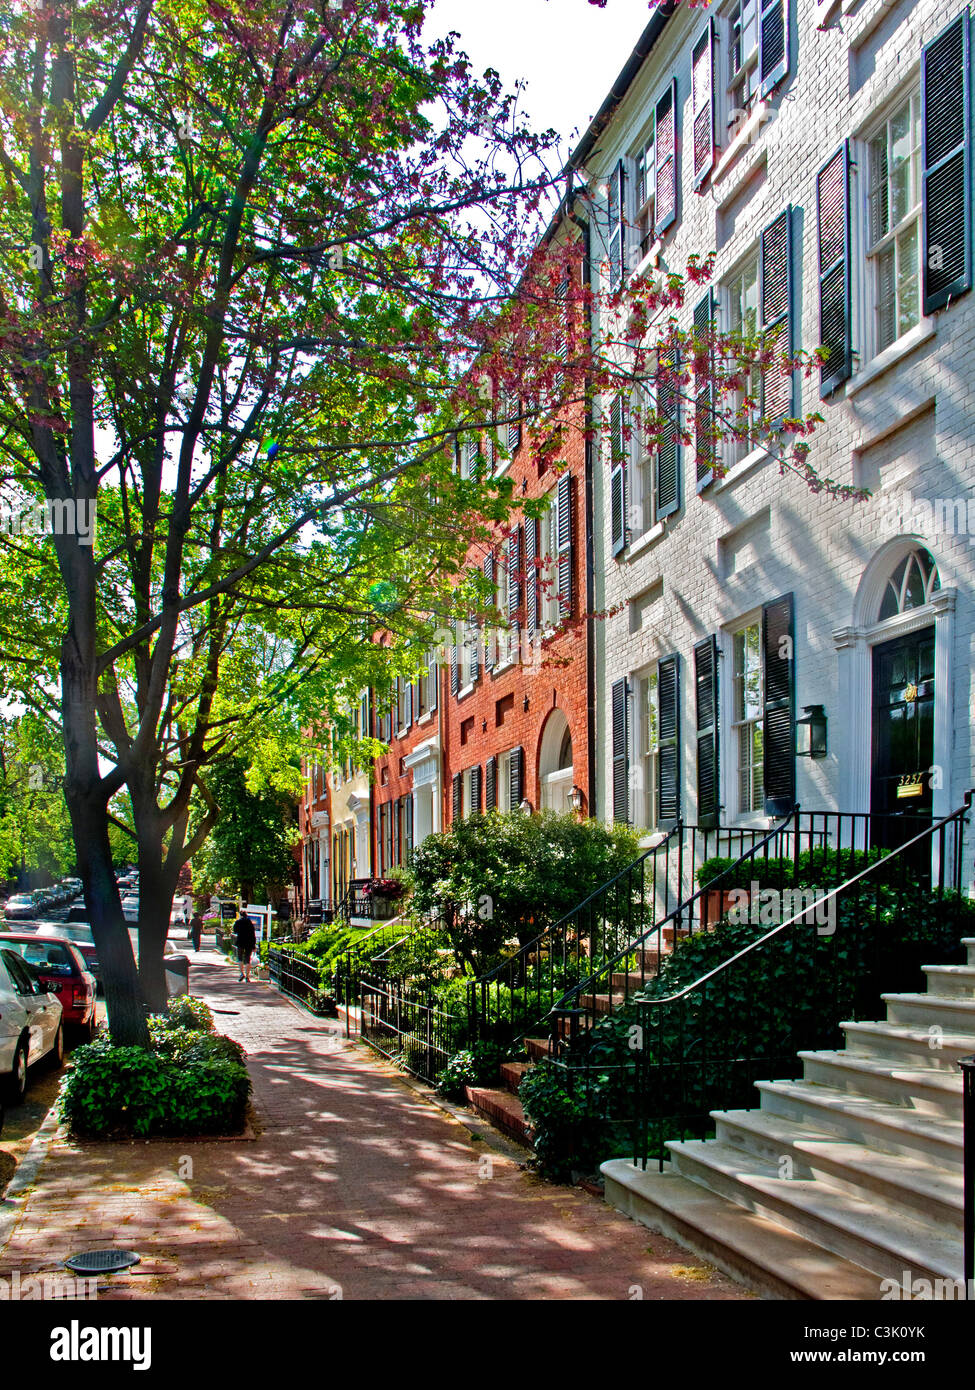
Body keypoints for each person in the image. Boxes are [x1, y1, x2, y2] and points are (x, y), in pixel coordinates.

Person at [232, 909, 257, 984]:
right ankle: (247, 976)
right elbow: (253, 934)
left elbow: (235, 931)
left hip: (240, 941)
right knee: (247, 958)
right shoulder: (250, 923)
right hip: (249, 942)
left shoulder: (238, 922)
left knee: (240, 957)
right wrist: (254, 945)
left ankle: (241, 973)